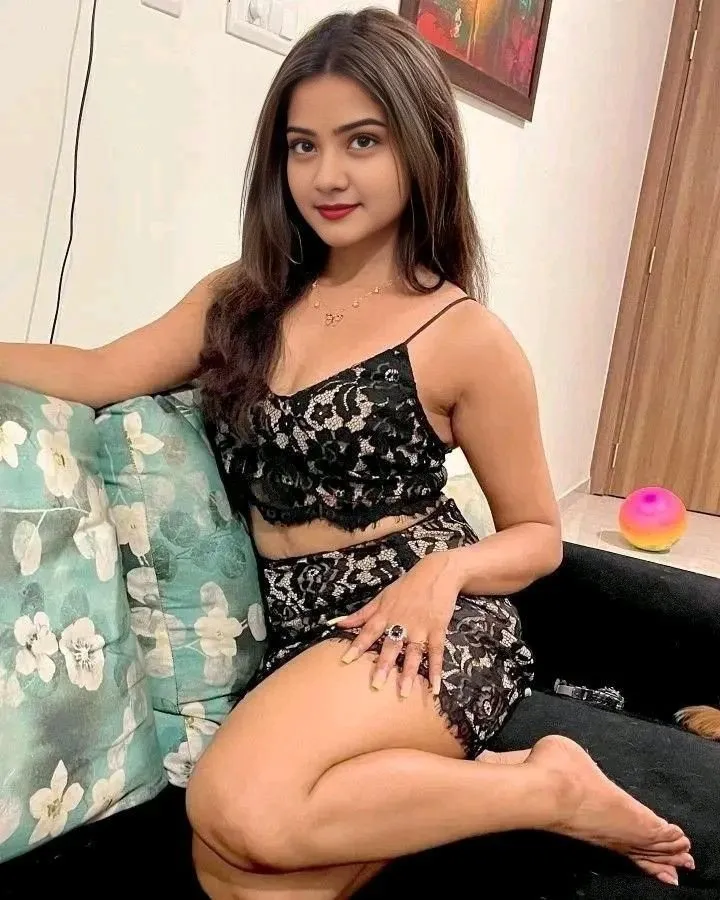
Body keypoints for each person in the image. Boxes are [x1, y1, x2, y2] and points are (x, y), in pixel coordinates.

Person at [1, 9, 693, 898]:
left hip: (427, 628)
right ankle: (470, 792)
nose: (327, 175)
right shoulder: (240, 300)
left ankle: (548, 788)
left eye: (362, 141)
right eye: (303, 146)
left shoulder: (465, 338)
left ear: (420, 145)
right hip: (301, 635)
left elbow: (538, 536)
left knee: (236, 807)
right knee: (238, 875)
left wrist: (444, 574)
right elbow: (96, 372)